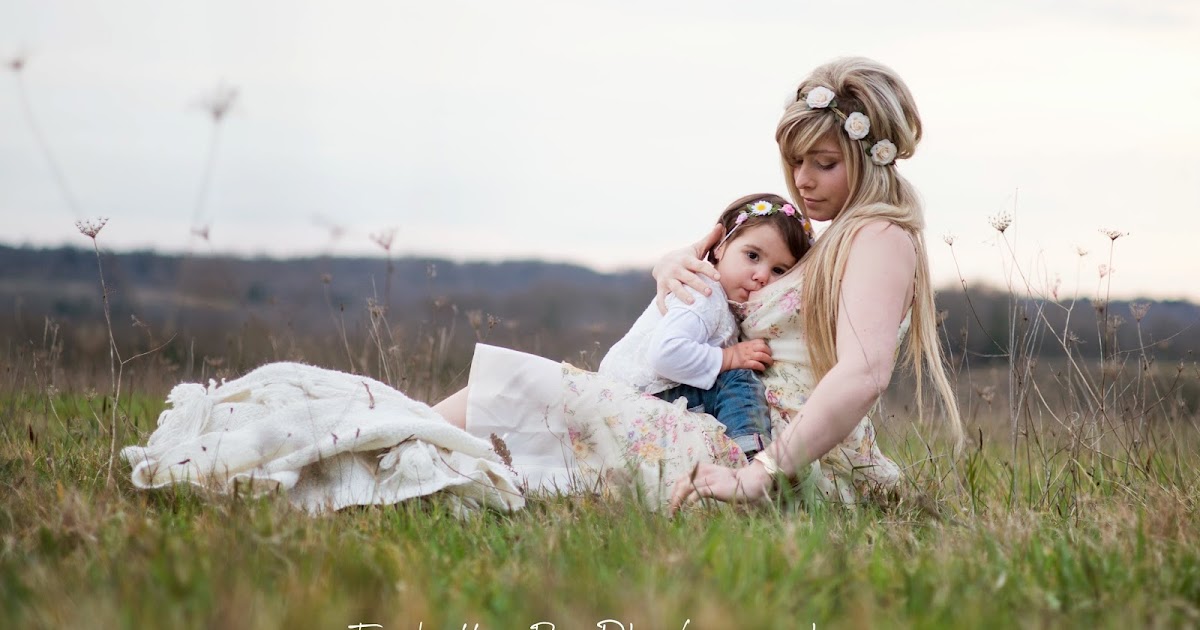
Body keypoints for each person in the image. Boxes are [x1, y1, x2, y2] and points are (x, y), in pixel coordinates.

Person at [123, 57, 963, 514]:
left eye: (826, 162)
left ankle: (357, 445)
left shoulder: (882, 235)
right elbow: (752, 278)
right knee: (537, 399)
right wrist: (672, 262)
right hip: (728, 420)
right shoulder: (835, 237)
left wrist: (761, 474)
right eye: (797, 163)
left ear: (873, 155)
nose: (806, 181)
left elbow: (860, 375)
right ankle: (358, 438)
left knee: (534, 389)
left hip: (765, 447)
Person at [598, 193, 812, 459]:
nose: (761, 276)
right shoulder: (703, 293)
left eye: (779, 270)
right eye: (753, 256)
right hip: (638, 394)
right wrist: (729, 357)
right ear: (720, 246)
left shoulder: (729, 302)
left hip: (649, 391)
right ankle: (750, 456)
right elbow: (665, 354)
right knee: (738, 379)